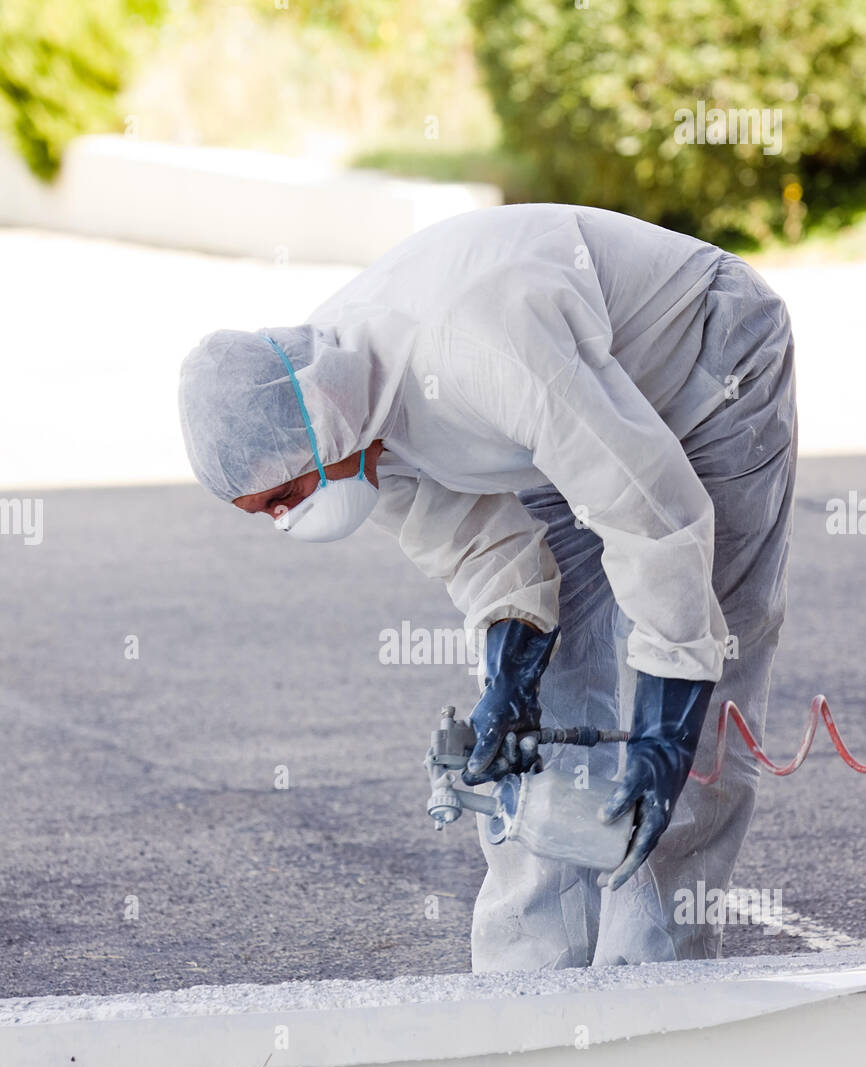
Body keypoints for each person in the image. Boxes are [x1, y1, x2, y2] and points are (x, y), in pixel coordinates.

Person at [178, 203, 797, 971]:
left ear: (319, 436)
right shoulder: (337, 420)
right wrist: (510, 678)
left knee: (704, 649)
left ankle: (655, 977)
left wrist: (666, 728)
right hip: (550, 410)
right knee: (545, 715)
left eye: (280, 498)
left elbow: (654, 519)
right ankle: (531, 978)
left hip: (703, 358)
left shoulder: (478, 350)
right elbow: (485, 551)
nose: (284, 520)